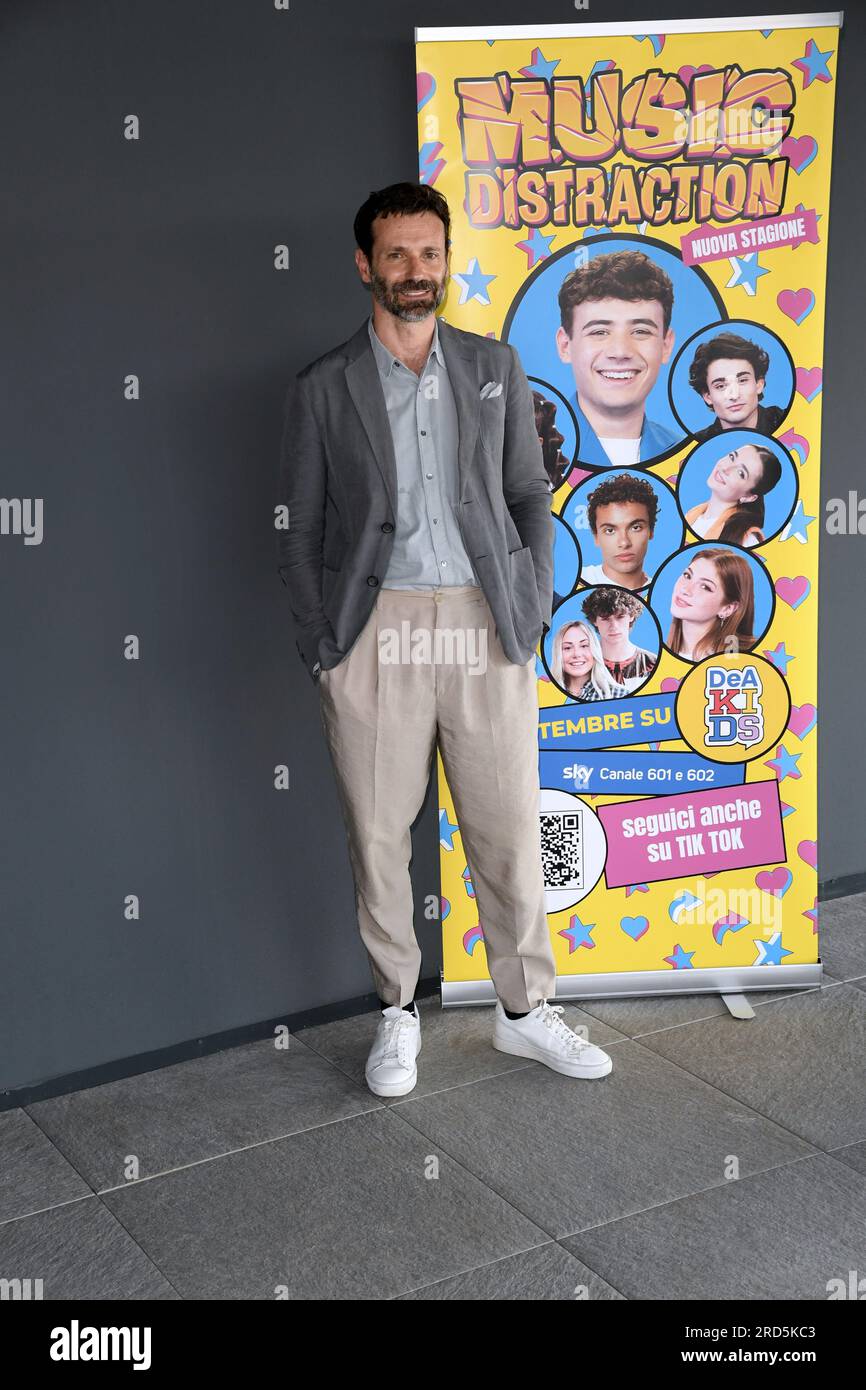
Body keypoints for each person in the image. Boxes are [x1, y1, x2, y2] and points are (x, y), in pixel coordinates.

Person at [277, 181, 612, 1097]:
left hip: (481, 619)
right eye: (396, 255)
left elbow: (529, 495)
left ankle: (523, 1013)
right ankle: (395, 1011)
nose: (415, 271)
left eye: (430, 253)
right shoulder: (323, 386)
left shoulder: (494, 364)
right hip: (373, 629)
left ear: (447, 258)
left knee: (505, 827)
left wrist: (531, 602)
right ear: (365, 266)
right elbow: (299, 529)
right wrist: (323, 642)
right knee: (380, 836)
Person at [555, 249, 679, 467]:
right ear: (565, 345)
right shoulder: (532, 451)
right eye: (599, 332)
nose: (620, 351)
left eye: (641, 331)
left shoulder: (684, 452)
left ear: (666, 345)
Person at [688, 332, 786, 442]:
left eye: (742, 380)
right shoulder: (697, 445)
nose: (734, 395)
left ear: (759, 384)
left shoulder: (789, 421)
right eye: (720, 386)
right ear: (707, 396)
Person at [685, 443, 782, 547]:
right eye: (732, 457)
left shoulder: (745, 540)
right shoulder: (692, 515)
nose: (726, 469)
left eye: (741, 473)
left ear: (749, 497)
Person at [666, 548, 756, 660]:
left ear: (728, 608)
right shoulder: (656, 658)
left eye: (705, 587)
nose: (685, 589)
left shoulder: (740, 663)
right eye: (687, 575)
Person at [581, 472, 658, 588]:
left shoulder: (662, 592)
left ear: (651, 531)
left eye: (635, 528)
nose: (624, 543)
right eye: (610, 530)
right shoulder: (580, 579)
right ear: (596, 536)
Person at [580, 587, 657, 691]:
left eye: (620, 617)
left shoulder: (653, 663)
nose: (614, 626)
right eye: (605, 618)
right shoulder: (579, 665)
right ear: (594, 621)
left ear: (632, 616)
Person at [550, 620, 627, 701]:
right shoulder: (546, 695)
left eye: (584, 646)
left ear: (595, 650)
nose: (577, 654)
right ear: (558, 654)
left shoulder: (620, 695)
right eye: (567, 648)